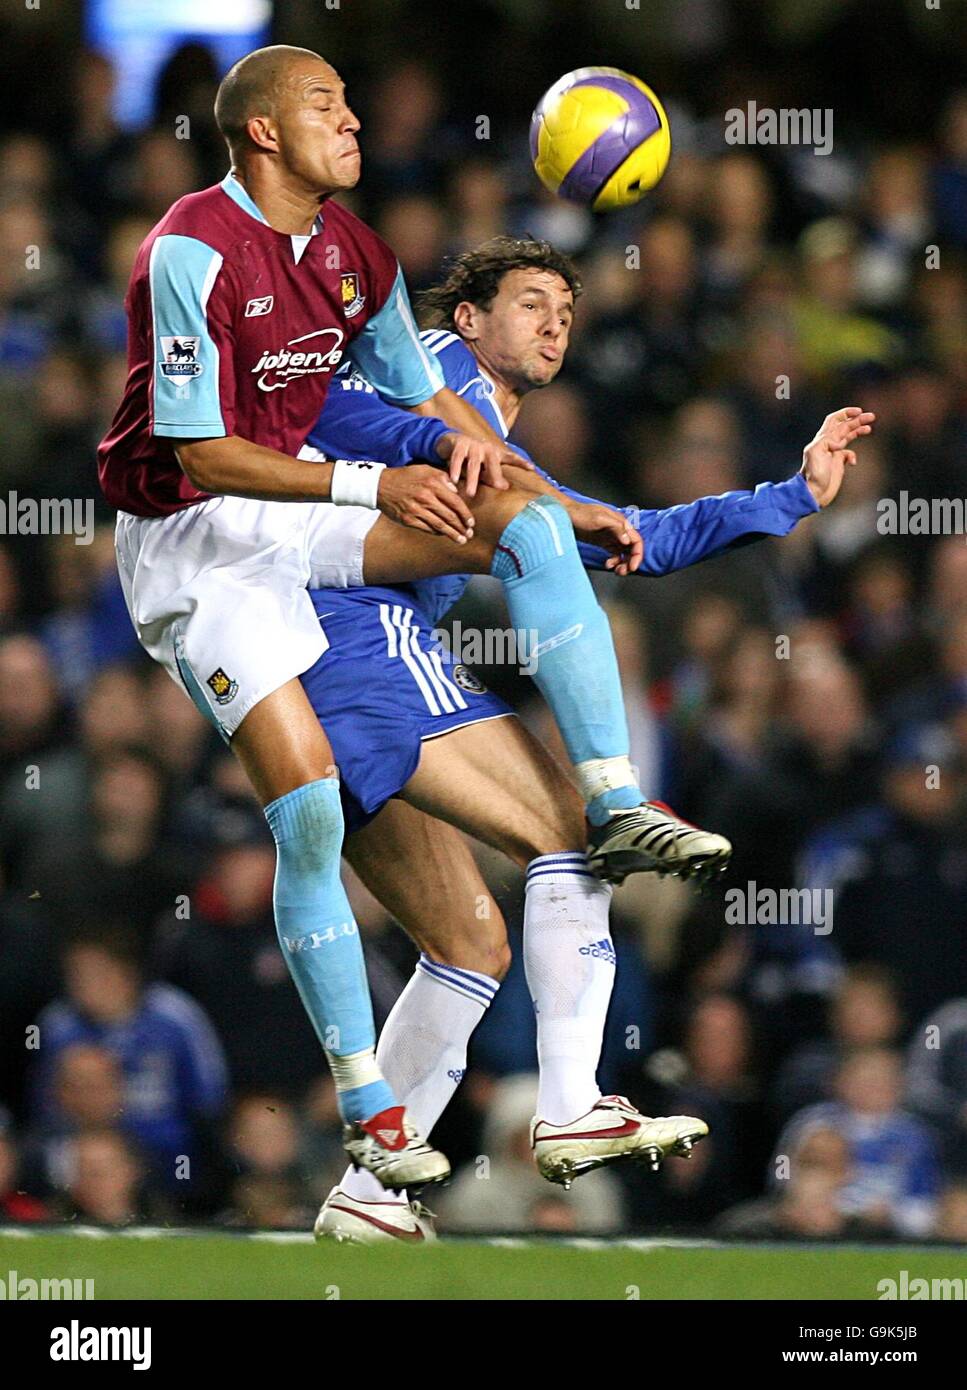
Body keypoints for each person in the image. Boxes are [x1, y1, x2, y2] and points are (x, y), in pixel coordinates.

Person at [95, 46, 670, 1192]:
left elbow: (422, 391)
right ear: (262, 132)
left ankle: (612, 790)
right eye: (326, 105)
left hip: (291, 518)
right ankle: (369, 1105)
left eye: (354, 102)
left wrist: (536, 485)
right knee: (306, 807)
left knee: (523, 528)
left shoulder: (358, 252)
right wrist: (372, 483)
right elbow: (200, 451)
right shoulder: (187, 249)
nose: (353, 121)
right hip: (194, 542)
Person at [298, 237, 875, 1240]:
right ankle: (571, 1100)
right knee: (575, 831)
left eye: (565, 309)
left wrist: (792, 494)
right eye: (529, 302)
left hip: (310, 673)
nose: (554, 322)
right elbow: (347, 425)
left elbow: (627, 535)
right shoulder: (429, 369)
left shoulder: (494, 450)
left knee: (467, 941)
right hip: (358, 641)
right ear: (467, 318)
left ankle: (367, 1195)